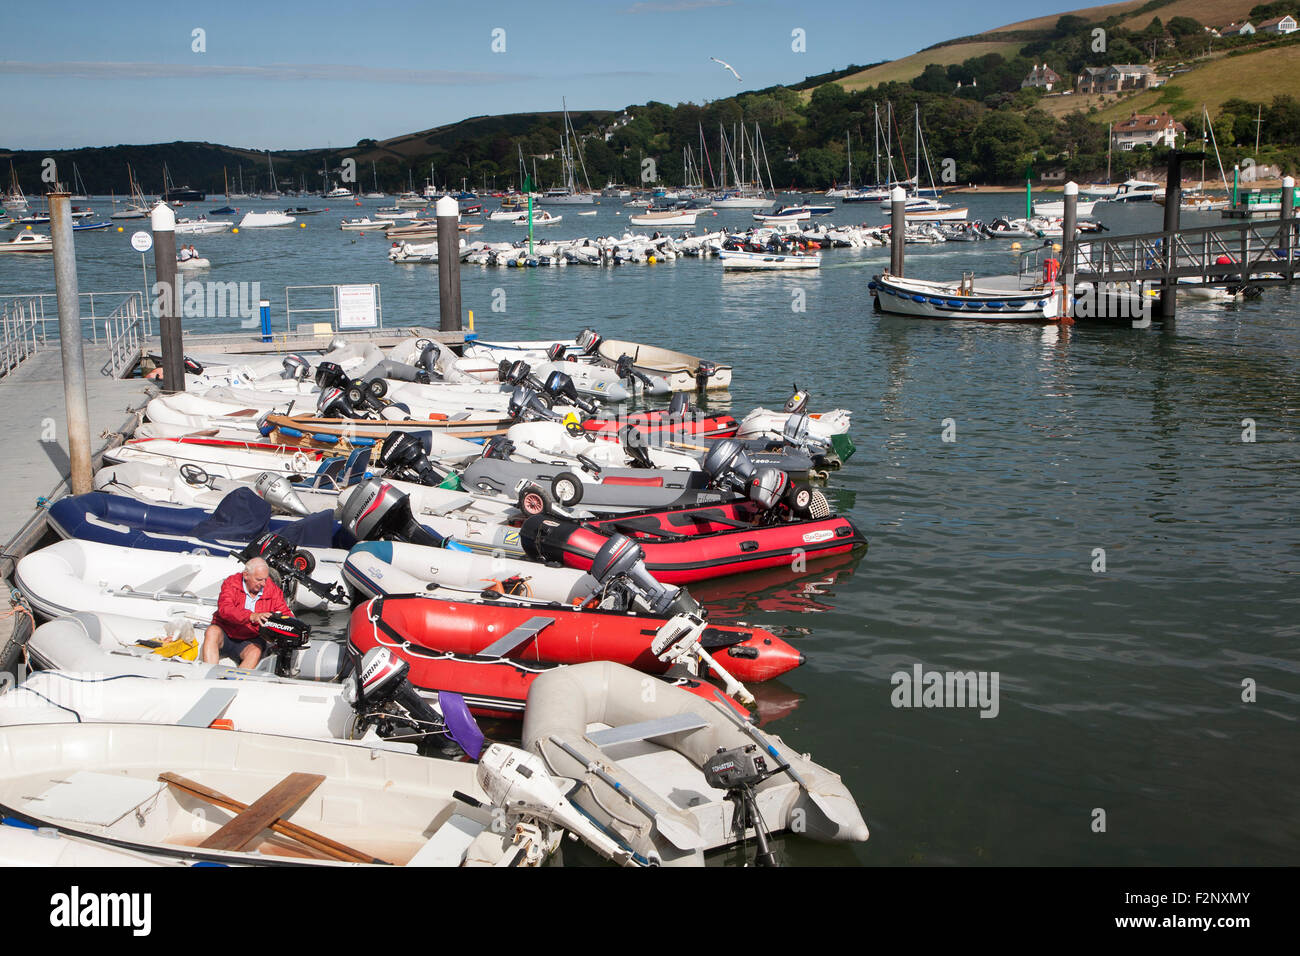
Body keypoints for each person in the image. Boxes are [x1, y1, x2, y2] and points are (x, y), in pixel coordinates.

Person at [202, 557, 293, 669]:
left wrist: (295, 626)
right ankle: (209, 674)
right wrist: (251, 616)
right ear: (246, 575)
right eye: (259, 580)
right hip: (226, 633)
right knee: (212, 631)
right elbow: (225, 609)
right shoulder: (231, 583)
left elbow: (285, 612)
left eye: (265, 579)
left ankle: (238, 681)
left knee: (255, 651)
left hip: (251, 638)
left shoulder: (273, 590)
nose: (263, 584)